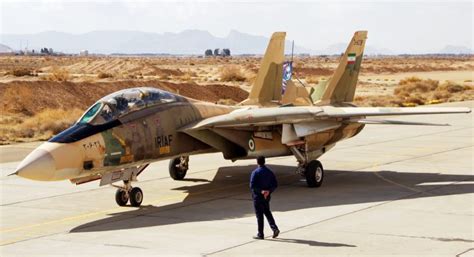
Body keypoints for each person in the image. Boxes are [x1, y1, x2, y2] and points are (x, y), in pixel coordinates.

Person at [250, 156, 280, 239]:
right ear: (264, 162)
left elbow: (252, 186)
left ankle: (261, 234)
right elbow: (275, 184)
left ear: (257, 162)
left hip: (257, 197)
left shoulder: (255, 172)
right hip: (266, 197)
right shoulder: (269, 172)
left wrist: (261, 191)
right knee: (267, 212)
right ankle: (274, 228)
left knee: (259, 216)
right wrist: (268, 191)